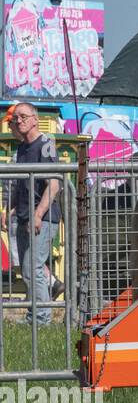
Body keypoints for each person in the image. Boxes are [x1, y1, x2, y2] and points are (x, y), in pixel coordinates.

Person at [4, 103, 62, 325]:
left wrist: (38, 214)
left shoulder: (45, 144)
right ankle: (34, 315)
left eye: (24, 116)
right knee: (28, 269)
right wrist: (10, 211)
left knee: (33, 268)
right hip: (24, 217)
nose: (19, 121)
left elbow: (54, 184)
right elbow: (22, 185)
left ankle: (42, 319)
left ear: (35, 119)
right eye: (16, 118)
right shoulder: (22, 149)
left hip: (43, 217)